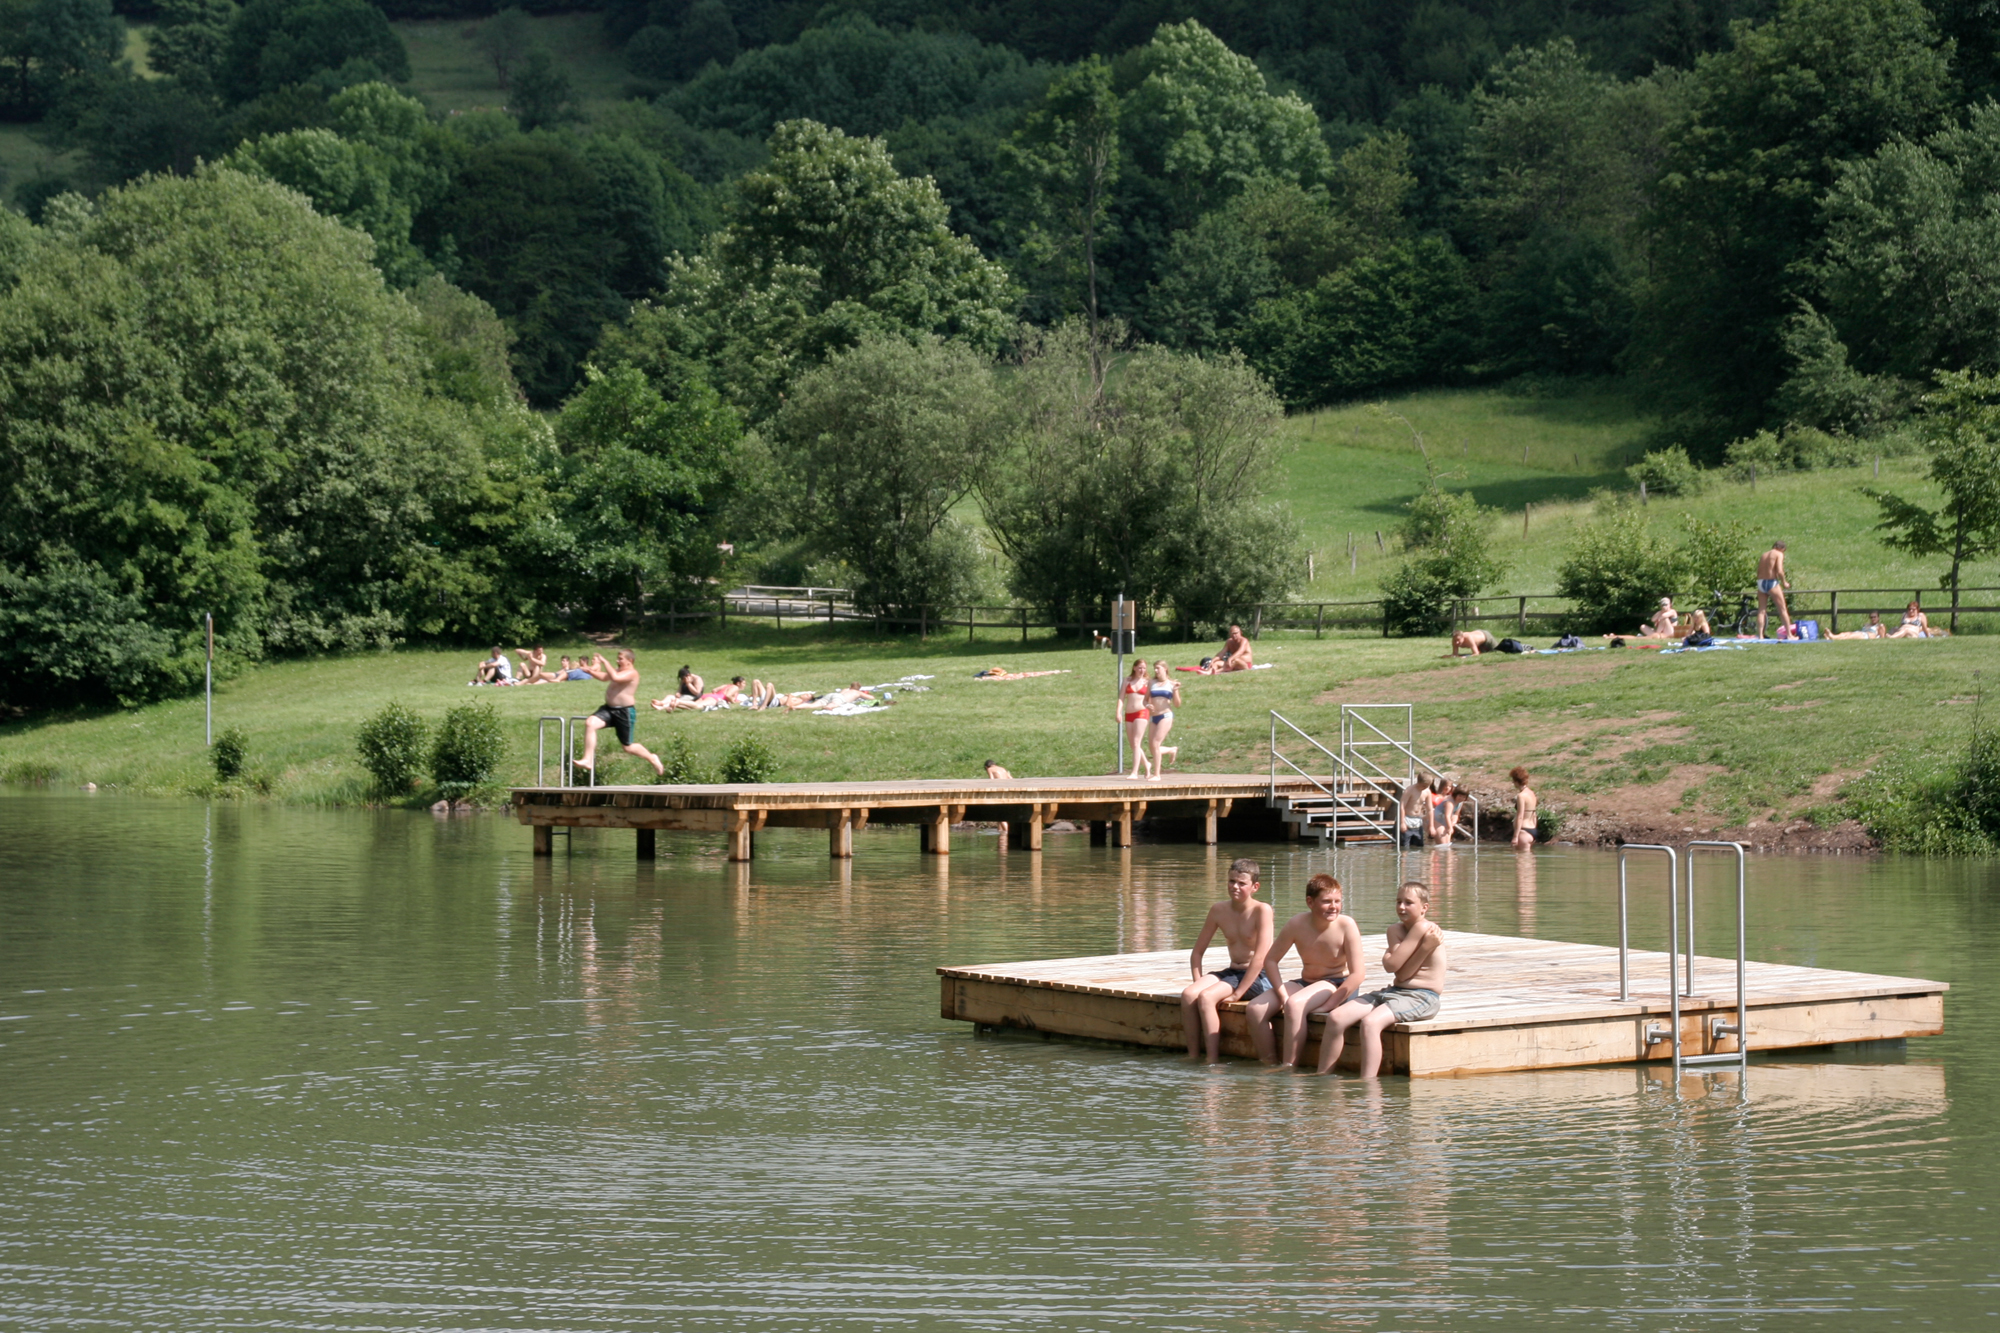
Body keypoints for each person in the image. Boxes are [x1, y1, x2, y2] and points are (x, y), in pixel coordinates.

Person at [1316, 881, 1447, 1077]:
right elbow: (1394, 968)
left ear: (1424, 908)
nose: (1401, 907)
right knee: (1336, 1017)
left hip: (1422, 996)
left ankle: (1368, 1084)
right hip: (1394, 992)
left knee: (1370, 1023)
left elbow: (1396, 968)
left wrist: (1423, 948)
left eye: (1408, 903)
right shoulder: (1394, 930)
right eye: (1398, 902)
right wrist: (1420, 950)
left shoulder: (1424, 928)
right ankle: (1321, 1076)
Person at [1244, 874, 1365, 1067]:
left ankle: (1288, 1067)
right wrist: (1282, 994)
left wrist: (1329, 1005)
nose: (1333, 906)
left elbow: (1358, 974)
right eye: (1326, 902)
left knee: (1295, 1005)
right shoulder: (1297, 923)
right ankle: (1268, 1062)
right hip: (1306, 982)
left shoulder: (1346, 925)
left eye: (1337, 901)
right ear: (1310, 902)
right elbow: (1271, 960)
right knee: (1255, 1008)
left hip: (1335, 983)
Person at [1179, 858, 1275, 1062]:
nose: (1235, 887)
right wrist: (1197, 981)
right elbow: (1197, 953)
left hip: (1257, 976)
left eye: (1242, 883)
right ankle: (1193, 1055)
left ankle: (1212, 1061)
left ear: (1255, 886)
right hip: (1232, 971)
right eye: (1232, 881)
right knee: (1189, 995)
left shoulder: (1262, 910)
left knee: (1206, 997)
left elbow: (1260, 957)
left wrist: (1238, 993)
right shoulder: (1218, 910)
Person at [575, 650, 665, 777]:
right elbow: (604, 677)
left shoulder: (632, 673)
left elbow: (615, 678)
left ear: (630, 661)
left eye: (620, 659)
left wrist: (605, 661)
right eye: (617, 659)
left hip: (624, 711)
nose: (617, 661)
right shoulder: (617, 670)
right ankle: (588, 759)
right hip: (608, 709)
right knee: (590, 723)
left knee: (628, 747)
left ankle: (652, 758)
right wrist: (589, 671)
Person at [1146, 662, 1182, 779]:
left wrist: (1176, 690)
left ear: (1165, 669)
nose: (1156, 671)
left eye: (1158, 668)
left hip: (1166, 716)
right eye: (1154, 668)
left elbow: (1177, 704)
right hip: (1153, 716)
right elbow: (1145, 700)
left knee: (1156, 744)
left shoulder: (1171, 684)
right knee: (1152, 747)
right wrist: (1147, 705)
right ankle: (1171, 750)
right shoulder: (1152, 683)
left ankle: (1157, 775)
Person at [1120, 659, 1152, 779]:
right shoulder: (1127, 680)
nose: (1142, 670)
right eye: (1139, 668)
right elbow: (1121, 698)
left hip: (1142, 712)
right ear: (1134, 668)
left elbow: (1151, 699)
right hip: (1129, 714)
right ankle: (1147, 764)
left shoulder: (1148, 682)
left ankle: (1135, 772)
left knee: (1136, 742)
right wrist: (1118, 712)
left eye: (1144, 668)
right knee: (1133, 745)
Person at [1756, 542, 1793, 638]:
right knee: (1783, 609)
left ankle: (1760, 635)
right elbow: (1780, 570)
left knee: (1761, 610)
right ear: (1781, 548)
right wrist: (1784, 582)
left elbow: (1759, 570)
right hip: (1771, 582)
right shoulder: (1778, 554)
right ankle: (1789, 635)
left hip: (1760, 582)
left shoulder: (1764, 554)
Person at [1510, 766, 1538, 850]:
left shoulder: (1521, 796)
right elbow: (1534, 814)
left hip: (1523, 830)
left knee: (1521, 860)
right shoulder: (1532, 793)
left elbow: (1520, 816)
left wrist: (1515, 836)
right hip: (1533, 829)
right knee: (1529, 861)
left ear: (1516, 781)